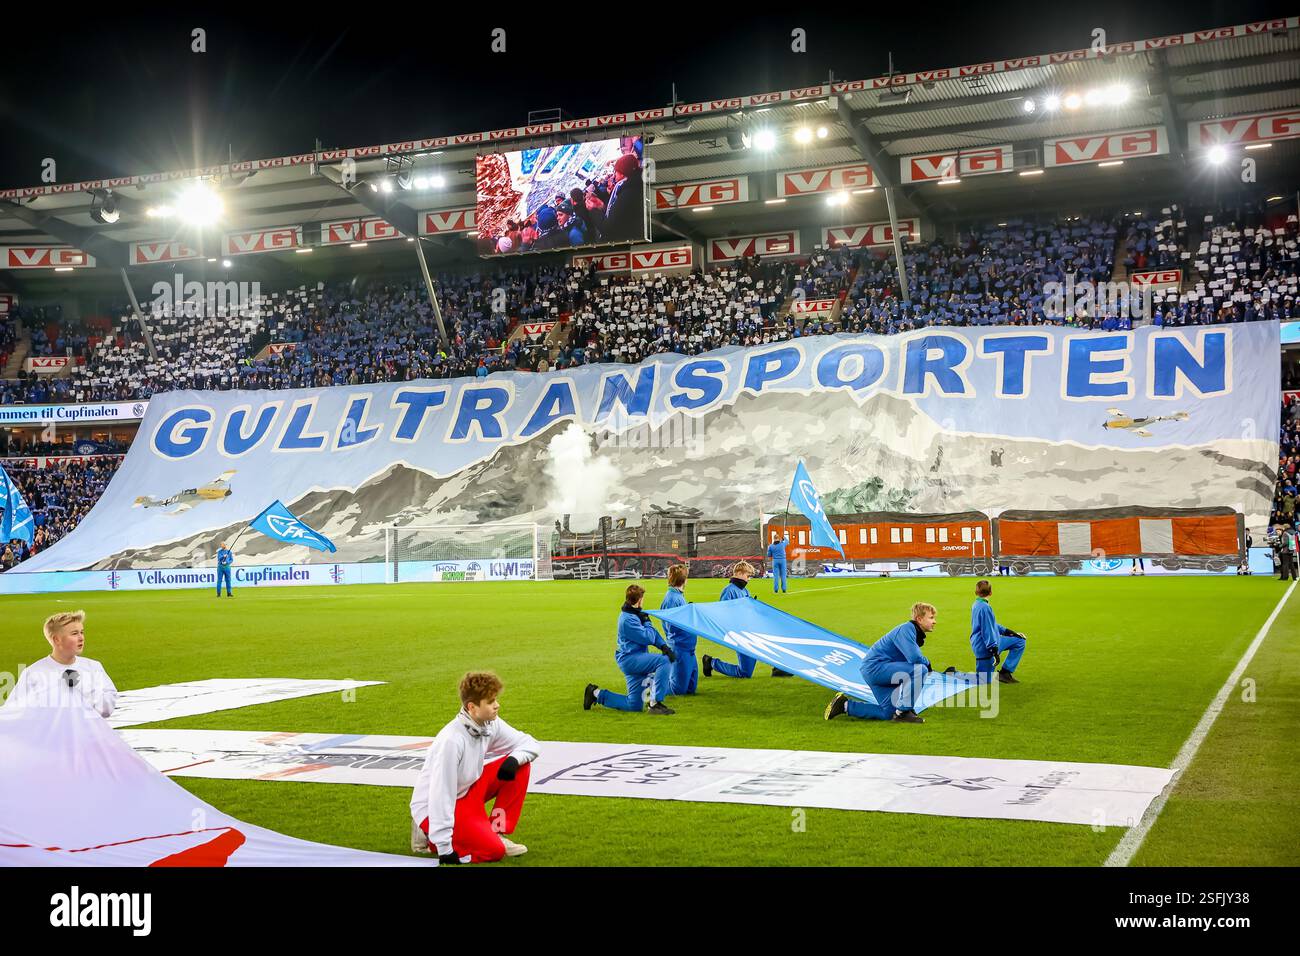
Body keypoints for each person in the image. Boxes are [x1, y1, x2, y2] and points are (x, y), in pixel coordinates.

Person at [411, 671, 538, 864]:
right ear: (472, 707)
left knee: (520, 765)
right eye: (491, 701)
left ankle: (497, 831)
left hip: (468, 790)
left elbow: (529, 743)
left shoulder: (488, 723)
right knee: (494, 852)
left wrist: (514, 759)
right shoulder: (452, 741)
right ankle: (431, 837)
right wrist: (445, 847)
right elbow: (441, 794)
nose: (497, 705)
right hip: (435, 806)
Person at [824, 602, 951, 724]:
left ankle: (845, 706)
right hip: (876, 669)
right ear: (919, 619)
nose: (935, 621)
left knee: (889, 713)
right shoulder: (907, 629)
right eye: (931, 617)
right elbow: (914, 658)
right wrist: (927, 663)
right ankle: (903, 712)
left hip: (876, 670)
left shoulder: (912, 631)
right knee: (920, 669)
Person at [3, 610, 117, 717]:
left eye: (82, 632)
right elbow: (12, 711)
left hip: (88, 736)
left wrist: (81, 688)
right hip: (53, 737)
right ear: (57, 639)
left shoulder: (94, 667)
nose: (81, 638)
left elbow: (107, 708)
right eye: (74, 633)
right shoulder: (33, 673)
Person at [583, 584, 677, 715]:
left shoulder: (634, 614)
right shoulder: (627, 620)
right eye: (642, 598)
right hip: (631, 660)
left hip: (635, 659)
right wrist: (647, 622)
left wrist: (663, 646)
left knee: (634, 705)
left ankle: (595, 693)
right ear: (639, 600)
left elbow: (652, 634)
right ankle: (655, 703)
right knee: (664, 661)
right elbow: (648, 636)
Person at [701, 562, 792, 678]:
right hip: (739, 634)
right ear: (739, 573)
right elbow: (722, 613)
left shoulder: (745, 591)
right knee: (744, 673)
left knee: (767, 642)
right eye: (748, 576)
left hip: (749, 630)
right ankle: (711, 662)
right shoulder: (729, 591)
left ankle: (779, 667)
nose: (749, 579)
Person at [968, 579, 1026, 684]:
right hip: (986, 647)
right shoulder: (984, 607)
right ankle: (953, 673)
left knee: (1019, 641)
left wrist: (1012, 633)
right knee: (983, 681)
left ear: (976, 592)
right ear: (991, 593)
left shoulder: (977, 604)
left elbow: (992, 625)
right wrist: (994, 651)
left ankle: (1005, 673)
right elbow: (987, 630)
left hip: (991, 643)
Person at [660, 564, 697, 695]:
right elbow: (672, 627)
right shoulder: (672, 598)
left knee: (690, 688)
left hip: (688, 646)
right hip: (680, 647)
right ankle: (652, 681)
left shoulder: (677, 595)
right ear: (684, 579)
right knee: (678, 690)